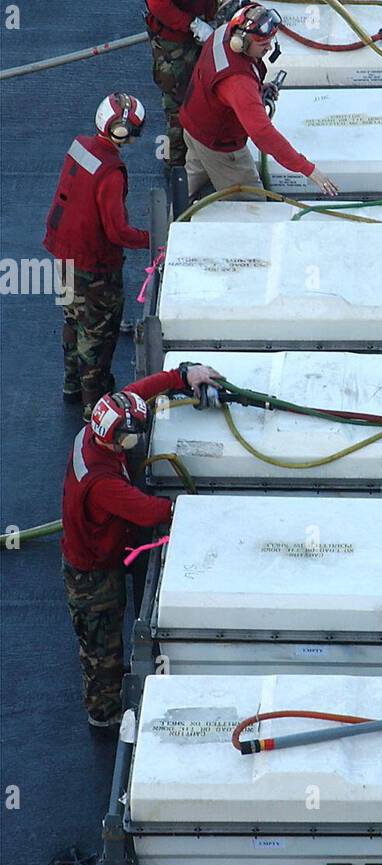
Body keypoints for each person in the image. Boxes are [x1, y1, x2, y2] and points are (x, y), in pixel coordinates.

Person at [61, 362, 222, 726]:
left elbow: (139, 390)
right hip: (93, 575)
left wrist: (183, 375)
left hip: (97, 552)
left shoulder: (98, 427)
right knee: (102, 646)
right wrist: (200, 511)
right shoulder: (102, 483)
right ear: (121, 439)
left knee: (101, 638)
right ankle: (106, 715)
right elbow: (151, 513)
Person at [44, 94, 150, 417]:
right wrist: (153, 238)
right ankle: (96, 403)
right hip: (95, 266)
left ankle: (72, 384)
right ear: (123, 132)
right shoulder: (112, 172)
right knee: (98, 335)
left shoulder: (79, 146)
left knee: (72, 320)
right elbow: (117, 231)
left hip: (62, 253)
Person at [179, 0, 339, 201]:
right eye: (263, 44)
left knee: (185, 190)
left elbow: (216, 80)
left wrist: (258, 89)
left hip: (194, 128)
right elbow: (263, 134)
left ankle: (172, 225)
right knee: (251, 205)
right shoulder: (238, 83)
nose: (269, 48)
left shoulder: (223, 33)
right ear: (242, 43)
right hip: (220, 146)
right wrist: (308, 170)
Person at [145, 0, 264, 167]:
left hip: (204, 23)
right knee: (179, 99)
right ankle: (178, 166)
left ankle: (203, 154)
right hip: (173, 40)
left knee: (205, 89)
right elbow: (158, 5)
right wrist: (191, 25)